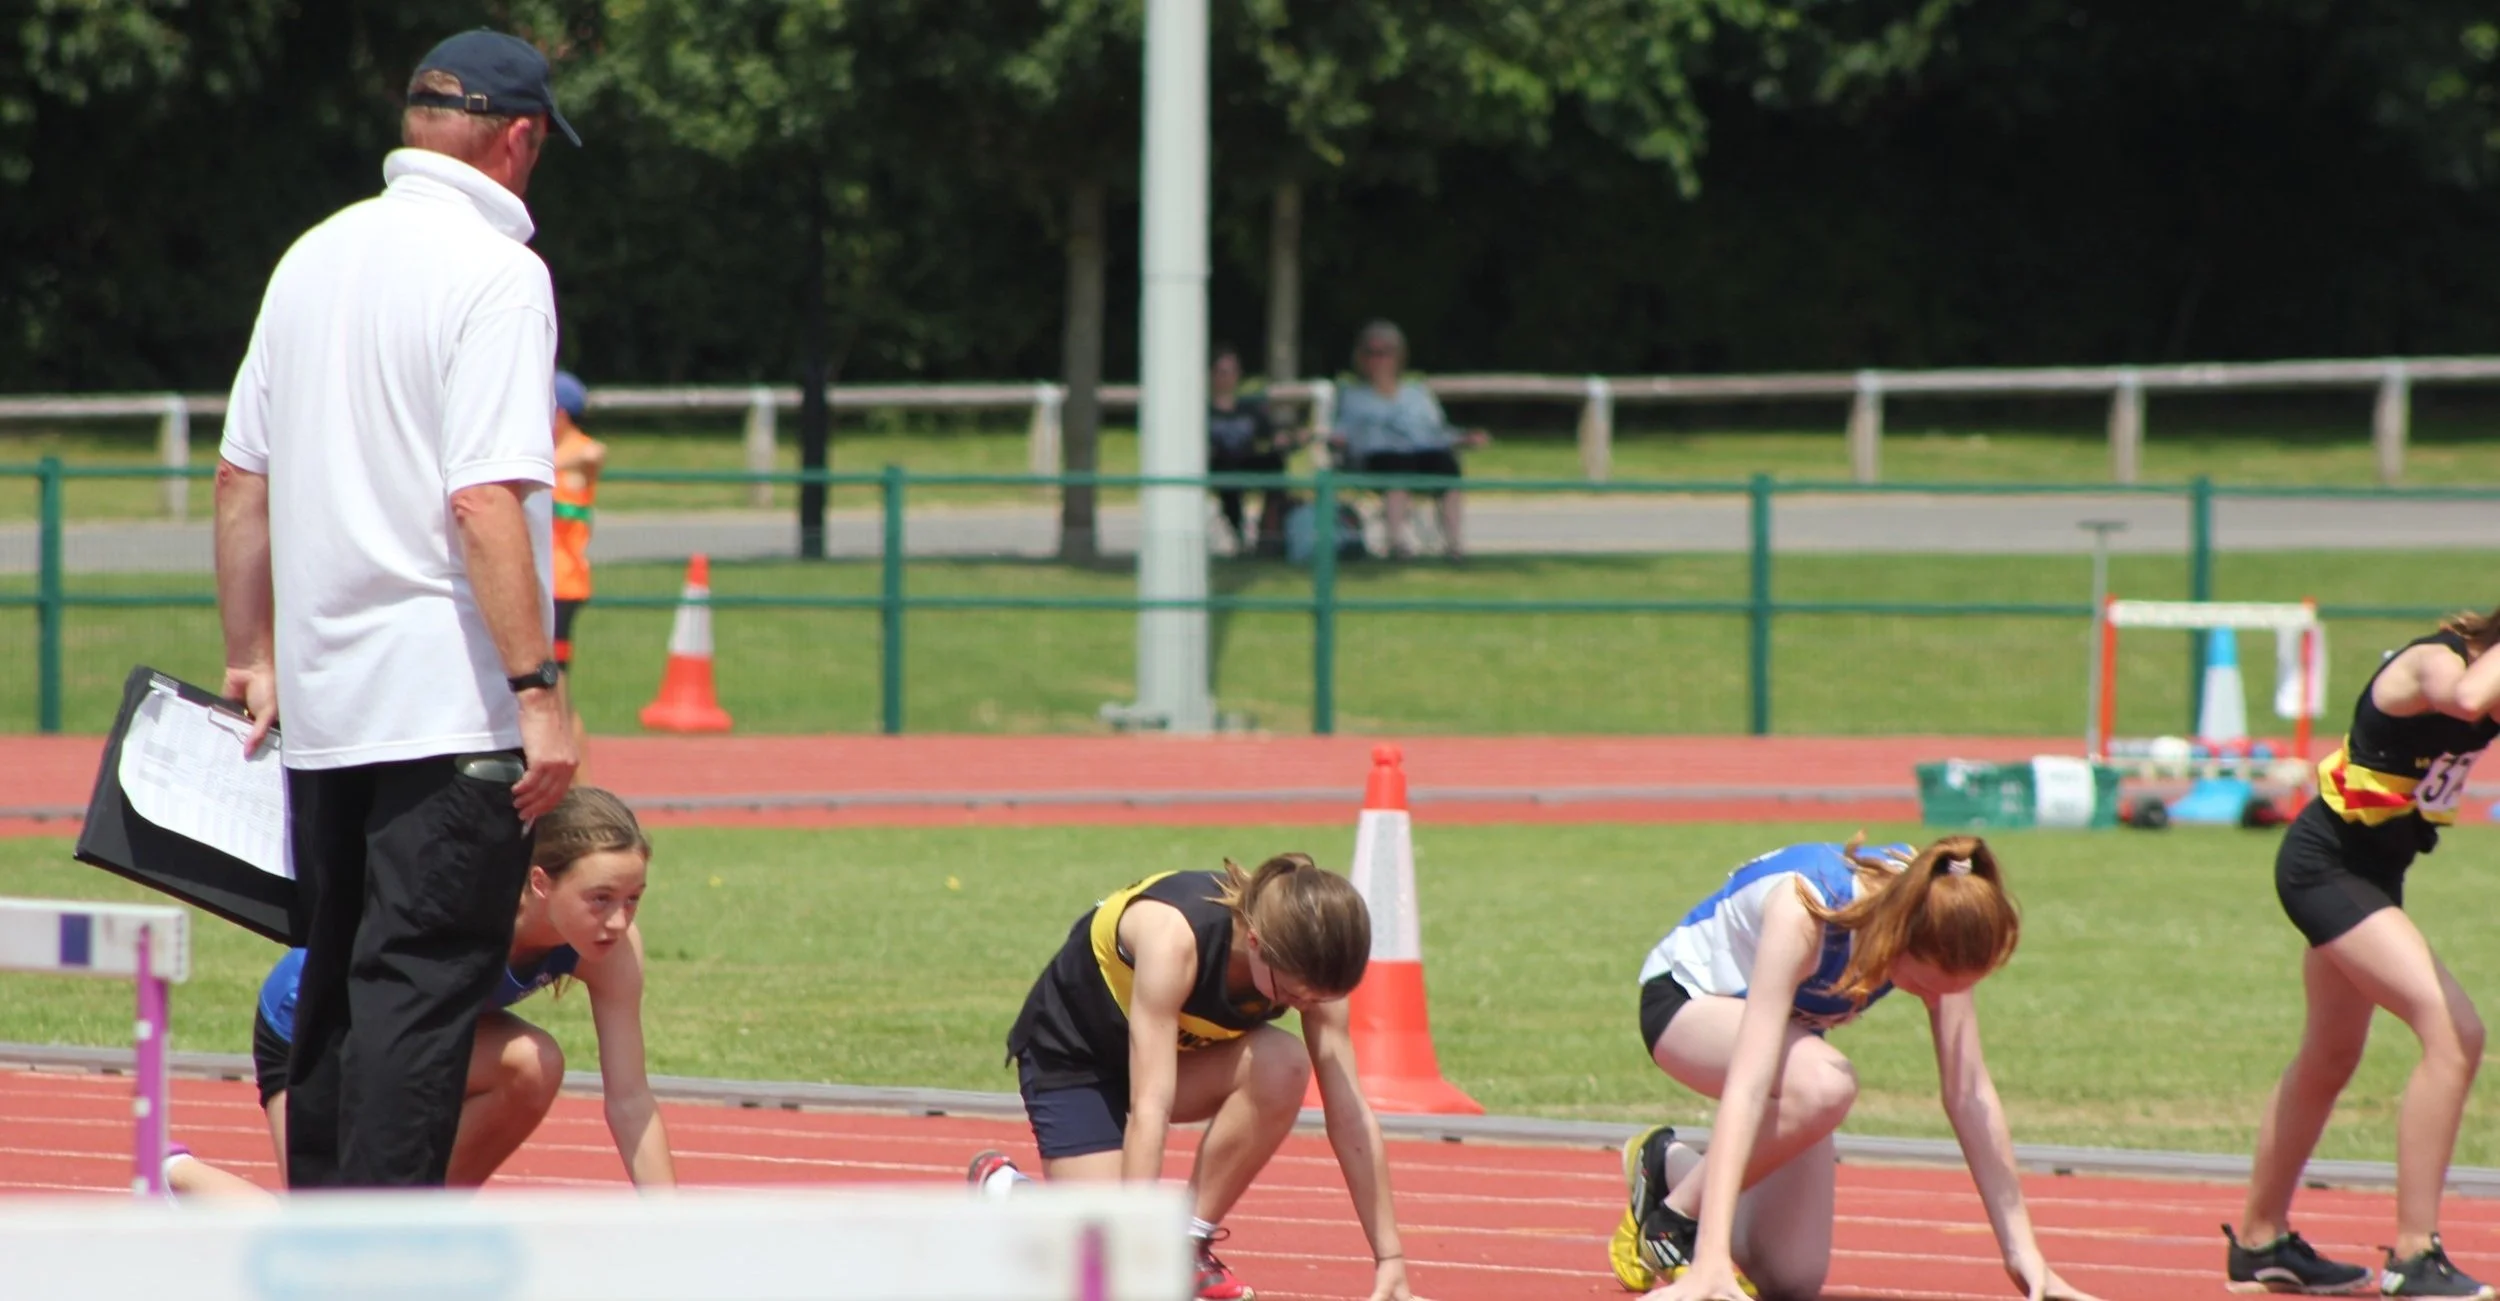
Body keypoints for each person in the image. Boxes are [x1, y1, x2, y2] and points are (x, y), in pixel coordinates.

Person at [213, 28, 581, 1188]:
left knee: (334, 990)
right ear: (518, 140)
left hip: (326, 708)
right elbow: (484, 497)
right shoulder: (499, 273)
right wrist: (538, 686)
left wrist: (252, 655)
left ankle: (324, 1248)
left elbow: (239, 479)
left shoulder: (312, 256)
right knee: (418, 1005)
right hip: (446, 709)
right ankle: (379, 1261)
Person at [1617, 836, 2100, 1301]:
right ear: (1901, 941)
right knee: (1828, 1085)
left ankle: (1664, 1166)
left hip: (1789, 1051)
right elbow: (1750, 1080)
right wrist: (1711, 1258)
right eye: (1930, 985)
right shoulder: (1806, 911)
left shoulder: (1942, 910)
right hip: (1686, 1006)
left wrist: (2025, 1254)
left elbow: (1968, 1092)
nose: (1940, 998)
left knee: (1792, 1278)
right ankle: (1673, 1220)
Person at [168, 787, 673, 1196]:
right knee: (334, 1242)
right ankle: (175, 1176)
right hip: (318, 1022)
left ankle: (421, 1222)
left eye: (633, 900)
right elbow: (396, 1048)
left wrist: (676, 1233)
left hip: (421, 1032)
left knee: (533, 1064)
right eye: (600, 899)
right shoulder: (468, 916)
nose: (617, 920)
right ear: (541, 882)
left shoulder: (614, 949)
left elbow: (630, 1098)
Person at [973, 856, 1421, 1301]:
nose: (1305, 1006)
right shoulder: (1174, 940)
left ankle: (1187, 1243)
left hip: (1168, 1059)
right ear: (1256, 942)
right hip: (1075, 1060)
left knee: (1282, 1064)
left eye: (1320, 998)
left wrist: (1391, 1260)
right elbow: (1152, 1106)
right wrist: (1136, 1254)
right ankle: (1009, 1193)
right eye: (1292, 994)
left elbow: (1350, 1115)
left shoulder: (1311, 972)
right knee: (1098, 1257)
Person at [2226, 610, 2500, 1298]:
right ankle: (2414, 1256)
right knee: (2455, 1033)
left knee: (2330, 1051)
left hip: (2374, 874)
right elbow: (2464, 698)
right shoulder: (2434, 663)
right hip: (2326, 868)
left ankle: (2261, 1243)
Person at [1330, 320, 1489, 559]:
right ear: (1360, 357)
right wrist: (1337, 440)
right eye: (1370, 353)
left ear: (1398, 356)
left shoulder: (1417, 393)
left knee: (1447, 465)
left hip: (1420, 452)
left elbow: (1437, 431)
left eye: (1385, 353)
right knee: (1397, 466)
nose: (1378, 360)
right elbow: (1340, 431)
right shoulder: (1352, 395)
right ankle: (1398, 544)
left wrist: (1463, 438)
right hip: (1374, 458)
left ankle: (1455, 546)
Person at [552, 370, 604, 760]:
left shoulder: (579, 453)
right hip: (545, 585)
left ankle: (581, 797)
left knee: (557, 698)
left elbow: (592, 455)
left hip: (562, 587)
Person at [1206, 344, 1299, 556]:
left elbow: (1271, 435)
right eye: (1222, 372)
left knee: (1275, 463)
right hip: (1219, 464)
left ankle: (1270, 531)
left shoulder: (1249, 408)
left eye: (1232, 371)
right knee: (1226, 474)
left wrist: (1286, 439)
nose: (1227, 378)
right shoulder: (1204, 411)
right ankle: (1239, 537)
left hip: (1247, 459)